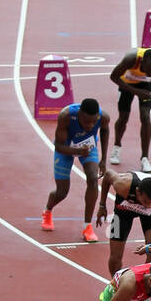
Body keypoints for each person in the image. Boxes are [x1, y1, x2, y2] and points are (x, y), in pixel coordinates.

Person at [42, 98, 110, 242]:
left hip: (88, 148)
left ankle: (87, 226)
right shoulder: (66, 116)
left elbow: (105, 130)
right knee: (62, 192)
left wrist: (103, 159)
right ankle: (47, 210)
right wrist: (77, 151)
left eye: (93, 122)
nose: (90, 126)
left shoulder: (103, 117)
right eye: (86, 122)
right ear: (79, 114)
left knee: (93, 178)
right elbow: (58, 146)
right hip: (66, 149)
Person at [96, 170, 151, 276]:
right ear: (137, 192)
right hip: (123, 212)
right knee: (115, 256)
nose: (148, 206)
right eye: (145, 202)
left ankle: (149, 287)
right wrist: (102, 205)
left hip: (150, 215)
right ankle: (115, 284)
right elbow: (107, 175)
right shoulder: (123, 185)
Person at [108, 45, 151, 172]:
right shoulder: (131, 59)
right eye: (148, 70)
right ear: (142, 62)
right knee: (123, 117)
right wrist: (136, 91)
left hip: (146, 85)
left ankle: (145, 158)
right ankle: (117, 146)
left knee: (145, 116)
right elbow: (113, 77)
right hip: (126, 83)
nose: (150, 73)